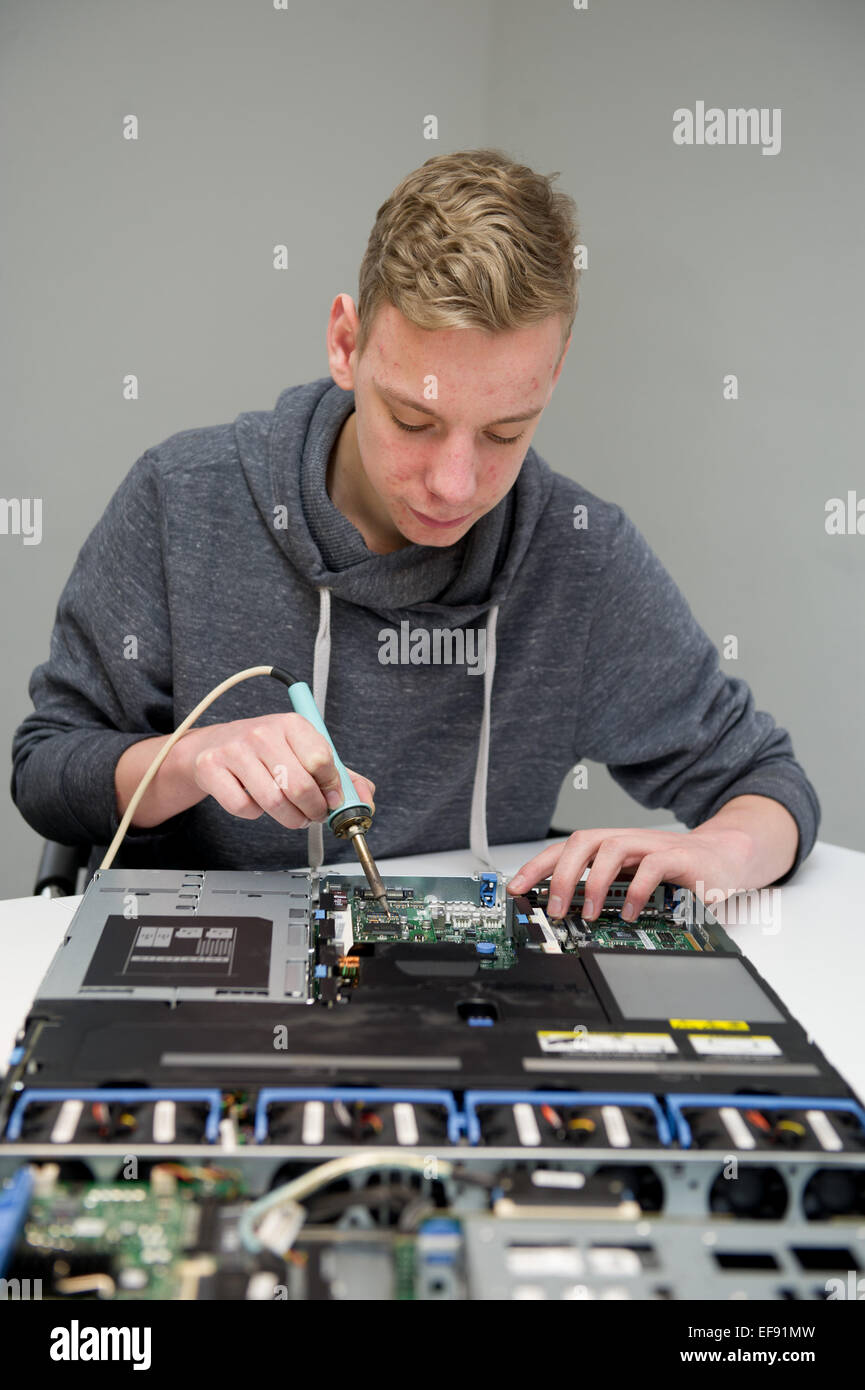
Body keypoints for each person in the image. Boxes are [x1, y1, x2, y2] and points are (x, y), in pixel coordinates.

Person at [10, 148, 819, 923]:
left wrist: (723, 853)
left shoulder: (579, 554)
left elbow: (765, 781)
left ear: (555, 372)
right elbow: (46, 770)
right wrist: (184, 762)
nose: (454, 485)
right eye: (412, 419)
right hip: (210, 979)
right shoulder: (181, 499)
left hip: (471, 996)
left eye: (505, 431)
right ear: (345, 343)